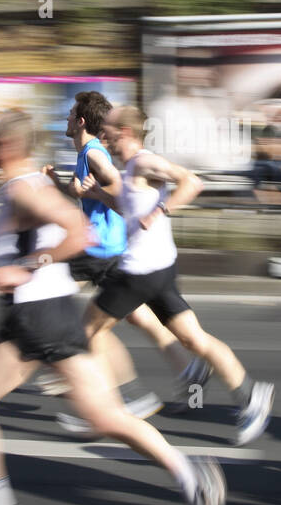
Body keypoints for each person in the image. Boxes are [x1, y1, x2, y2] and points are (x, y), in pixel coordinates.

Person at [0, 110, 225, 505]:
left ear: (6, 146)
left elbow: (81, 232)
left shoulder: (22, 187)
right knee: (105, 415)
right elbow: (36, 235)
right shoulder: (27, 186)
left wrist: (23, 267)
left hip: (32, 318)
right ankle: (193, 477)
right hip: (51, 314)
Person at [67, 105, 275, 446]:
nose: (103, 135)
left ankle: (104, 413)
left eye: (109, 130)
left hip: (138, 272)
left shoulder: (146, 162)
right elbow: (128, 209)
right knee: (194, 339)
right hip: (159, 269)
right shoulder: (131, 166)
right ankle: (251, 394)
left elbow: (192, 182)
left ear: (127, 133)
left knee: (86, 333)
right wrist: (97, 194)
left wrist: (161, 210)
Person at [40, 91, 207, 410]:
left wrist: (100, 192)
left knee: (52, 302)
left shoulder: (93, 153)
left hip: (97, 249)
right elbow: (85, 194)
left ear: (81, 121)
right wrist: (57, 183)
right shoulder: (87, 153)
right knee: (139, 317)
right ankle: (186, 366)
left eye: (70, 113)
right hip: (111, 248)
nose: (66, 118)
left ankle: (114, 389)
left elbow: (114, 185)